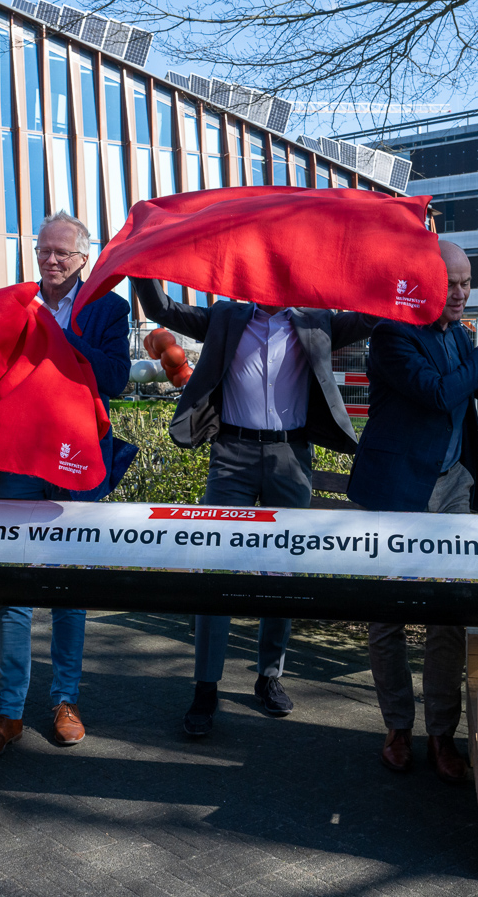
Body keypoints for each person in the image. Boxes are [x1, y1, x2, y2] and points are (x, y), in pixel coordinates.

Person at [135, 277, 376, 736]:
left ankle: (270, 677)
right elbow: (164, 310)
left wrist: (398, 273)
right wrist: (141, 265)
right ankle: (206, 687)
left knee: (281, 571)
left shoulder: (317, 321)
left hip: (291, 457)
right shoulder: (225, 316)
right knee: (215, 570)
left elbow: (370, 316)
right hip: (232, 456)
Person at [346, 240, 478, 784]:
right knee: (386, 619)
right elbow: (438, 393)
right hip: (395, 492)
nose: (460, 293)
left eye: (465, 282)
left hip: (452, 487)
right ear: (423, 282)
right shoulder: (391, 334)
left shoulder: (458, 336)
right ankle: (395, 727)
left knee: (446, 619)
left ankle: (441, 735)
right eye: (450, 283)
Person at [0, 213, 133, 762]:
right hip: (17, 458)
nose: (52, 260)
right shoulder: (14, 304)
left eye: (63, 252)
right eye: (44, 250)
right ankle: (9, 711)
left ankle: (65, 702)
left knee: (69, 590)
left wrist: (57, 341)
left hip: (76, 461)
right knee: (15, 591)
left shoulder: (108, 308)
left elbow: (113, 378)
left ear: (84, 259)